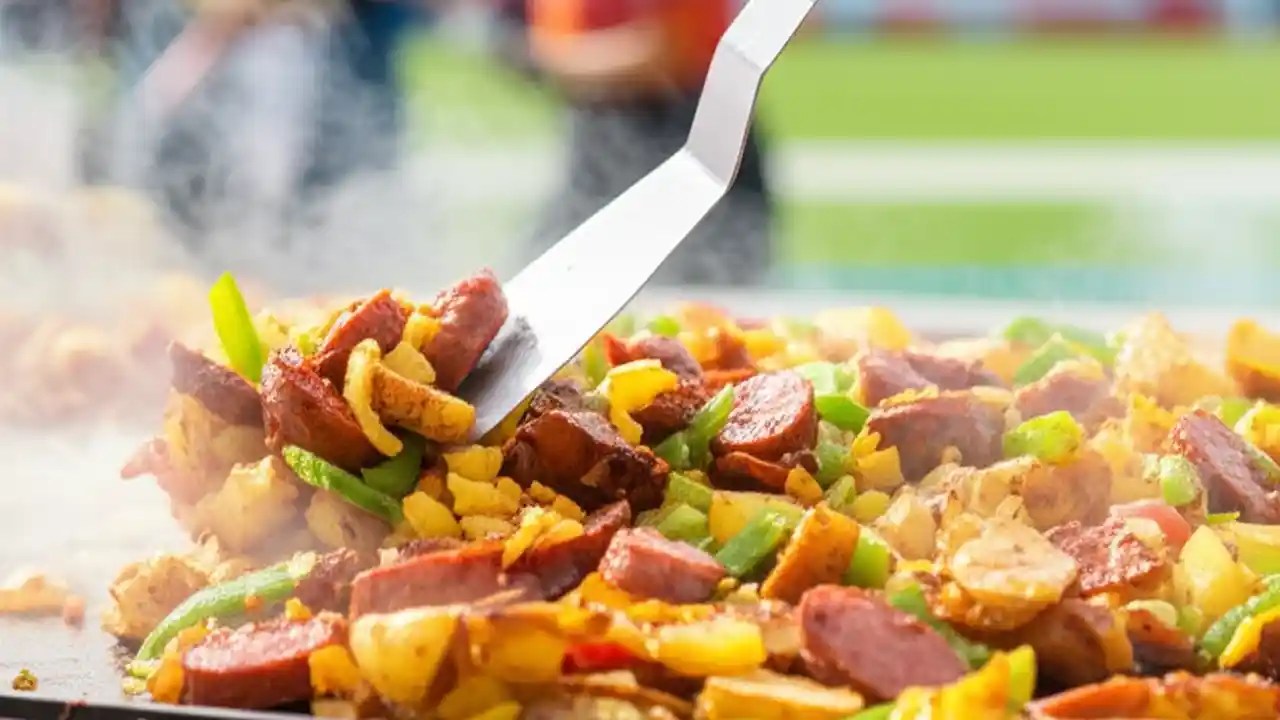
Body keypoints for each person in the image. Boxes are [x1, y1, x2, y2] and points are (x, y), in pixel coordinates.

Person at [523, 0, 774, 286]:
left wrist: (534, 59)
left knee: (708, 289)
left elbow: (662, 53)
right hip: (599, 132)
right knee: (558, 269)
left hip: (684, 130)